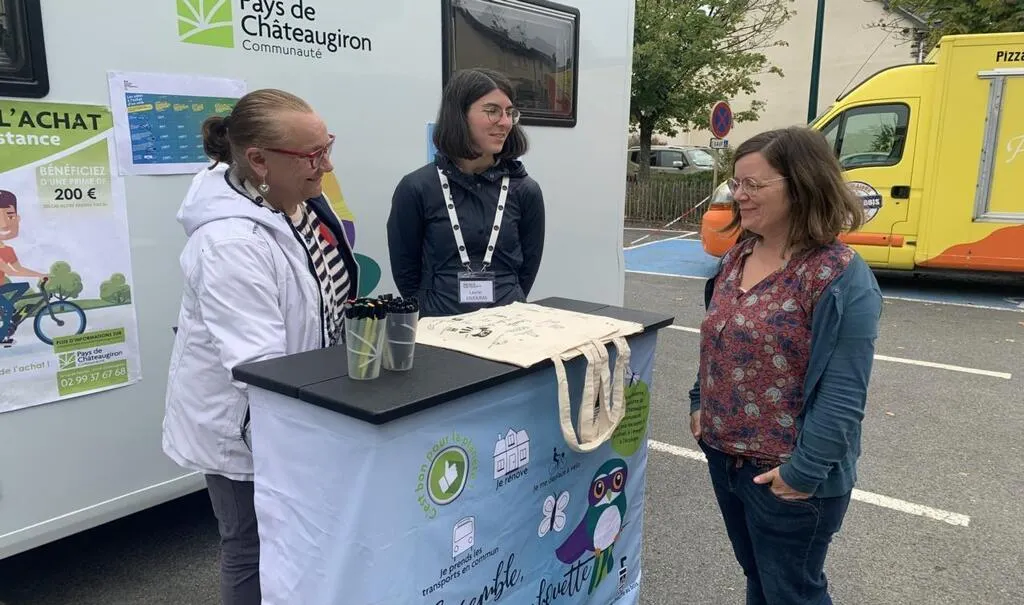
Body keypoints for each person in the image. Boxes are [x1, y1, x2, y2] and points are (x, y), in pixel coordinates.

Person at [162, 89, 359, 605]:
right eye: (314, 155)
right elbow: (261, 368)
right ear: (257, 159)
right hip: (244, 427)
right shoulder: (231, 243)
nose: (328, 164)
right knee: (251, 547)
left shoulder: (291, 204)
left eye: (327, 146)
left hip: (286, 416)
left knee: (290, 543)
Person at [687, 126, 882, 605]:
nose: (740, 195)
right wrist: (698, 401)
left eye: (754, 185)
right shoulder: (739, 255)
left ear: (801, 184)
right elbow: (720, 336)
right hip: (726, 458)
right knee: (760, 578)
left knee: (793, 591)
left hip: (788, 478)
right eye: (737, 183)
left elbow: (843, 395)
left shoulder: (841, 276)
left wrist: (802, 472)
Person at [386, 68, 545, 317]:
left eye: (509, 113)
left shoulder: (525, 190)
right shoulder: (417, 188)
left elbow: (527, 268)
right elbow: (405, 269)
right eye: (492, 111)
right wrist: (429, 306)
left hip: (509, 328)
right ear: (459, 115)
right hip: (438, 328)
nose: (504, 122)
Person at [0, 190, 48, 346]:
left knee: (24, 286)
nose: (4, 224)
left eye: (10, 216)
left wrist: (40, 274)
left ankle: (12, 315)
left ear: (18, 218)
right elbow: (8, 271)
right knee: (7, 308)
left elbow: (18, 269)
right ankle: (3, 336)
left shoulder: (7, 250)